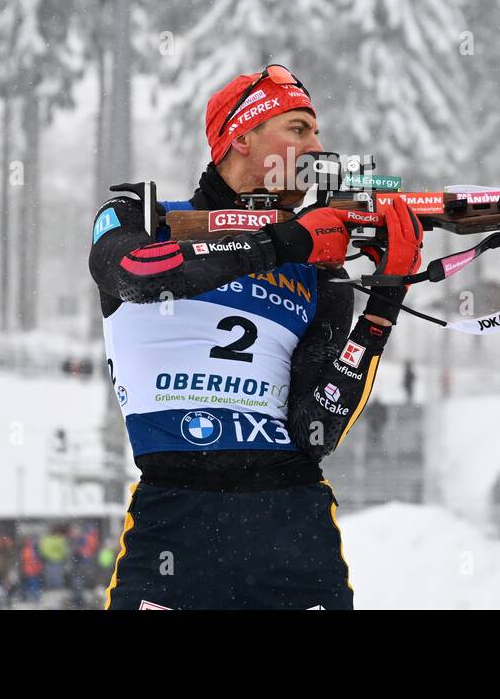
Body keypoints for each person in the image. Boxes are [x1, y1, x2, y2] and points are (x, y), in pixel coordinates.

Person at [88, 65, 423, 609]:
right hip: (175, 526)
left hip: (292, 529)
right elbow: (135, 273)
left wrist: (383, 306)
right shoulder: (142, 217)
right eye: (297, 128)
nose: (316, 145)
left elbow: (315, 431)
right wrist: (280, 243)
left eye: (315, 131)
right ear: (241, 136)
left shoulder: (318, 269)